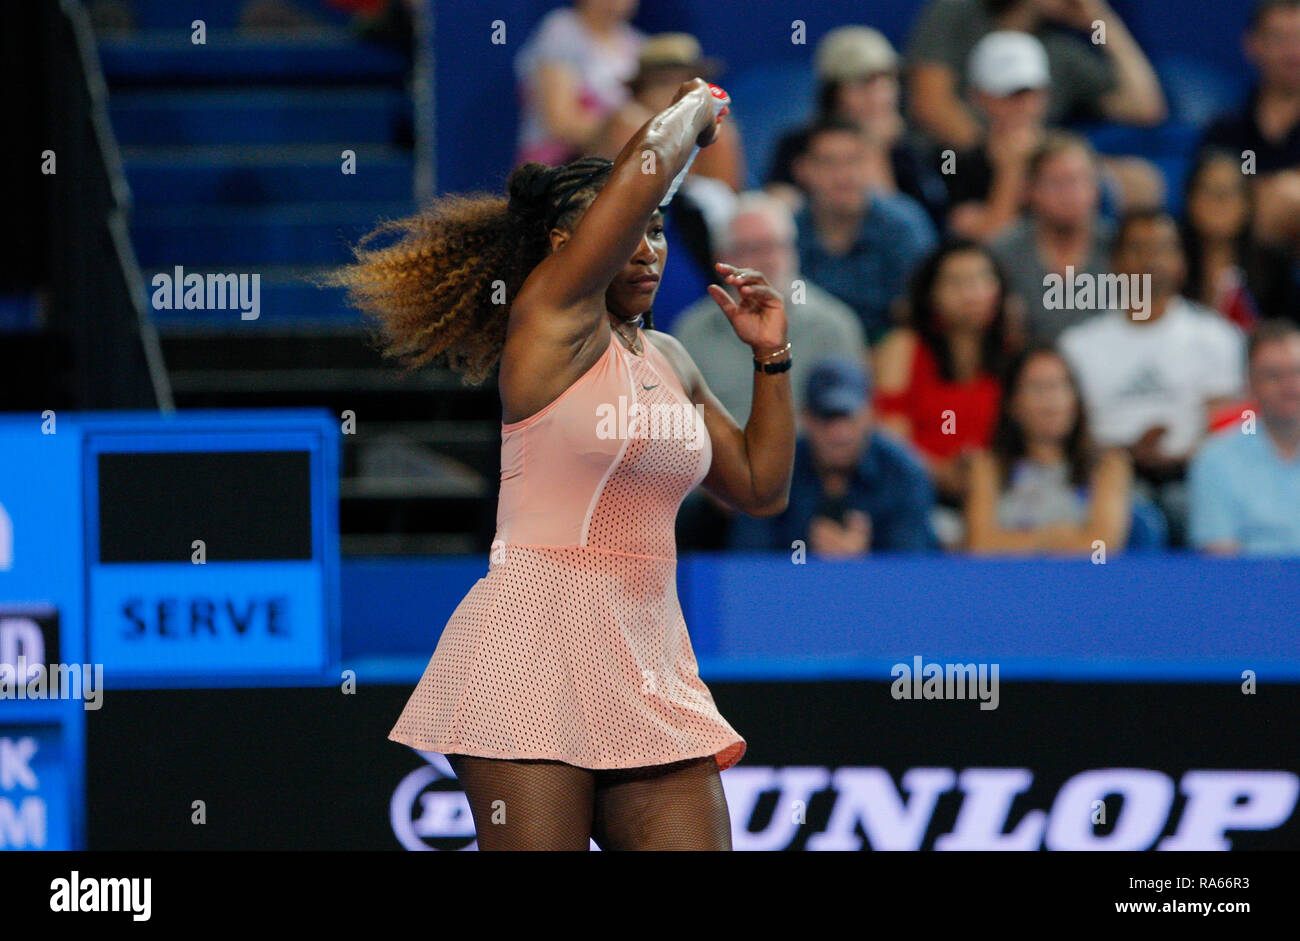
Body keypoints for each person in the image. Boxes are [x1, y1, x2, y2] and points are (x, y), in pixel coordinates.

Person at [327, 79, 795, 850]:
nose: (646, 246)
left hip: (650, 655)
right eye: (628, 231)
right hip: (529, 647)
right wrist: (693, 111)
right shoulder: (550, 324)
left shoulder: (672, 358)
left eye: (658, 231)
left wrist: (771, 355)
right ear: (565, 248)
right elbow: (645, 164)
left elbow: (760, 486)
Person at [1058, 209, 1246, 546]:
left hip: (1191, 473)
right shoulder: (1078, 345)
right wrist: (1126, 453)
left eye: (1162, 248)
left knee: (1185, 505)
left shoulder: (1217, 337)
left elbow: (1227, 429)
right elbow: (1069, 435)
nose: (1150, 260)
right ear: (1115, 262)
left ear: (1181, 261)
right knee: (1136, 512)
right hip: (1106, 477)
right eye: (1138, 248)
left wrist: (1183, 455)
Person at [673, 190, 866, 426]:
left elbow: (850, 426)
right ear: (722, 259)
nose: (766, 260)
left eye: (774, 246)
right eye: (751, 249)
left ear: (793, 250)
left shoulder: (833, 325)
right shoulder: (692, 333)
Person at [729, 356, 937, 555]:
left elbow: (913, 569)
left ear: (870, 415)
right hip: (790, 590)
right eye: (826, 418)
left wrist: (863, 561)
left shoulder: (904, 473)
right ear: (805, 418)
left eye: (848, 417)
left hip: (880, 591)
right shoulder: (772, 472)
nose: (839, 434)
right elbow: (748, 560)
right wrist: (806, 552)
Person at [905, 0, 1166, 150]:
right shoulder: (956, 12)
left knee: (1138, 180)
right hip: (956, 164)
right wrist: (996, 160)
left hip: (1041, 179)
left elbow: (1144, 107)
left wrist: (1099, 18)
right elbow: (931, 107)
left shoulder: (1062, 49)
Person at [873, 240, 1013, 508]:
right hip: (916, 494)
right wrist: (940, 473)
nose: (972, 293)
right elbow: (890, 438)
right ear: (931, 294)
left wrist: (983, 476)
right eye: (956, 282)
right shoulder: (903, 347)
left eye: (983, 280)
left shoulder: (1015, 353)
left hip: (1000, 497)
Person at [766, 25, 950, 226]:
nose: (879, 96)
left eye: (887, 82)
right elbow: (777, 208)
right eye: (864, 84)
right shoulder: (797, 144)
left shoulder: (910, 151)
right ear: (834, 94)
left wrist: (876, 149)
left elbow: (913, 226)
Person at [964, 346, 1132, 554]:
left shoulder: (1108, 463)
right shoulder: (987, 465)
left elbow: (1102, 546)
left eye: (1062, 385)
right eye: (1037, 388)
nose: (1052, 399)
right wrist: (1050, 538)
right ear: (1012, 403)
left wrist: (1015, 542)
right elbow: (979, 545)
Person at [791, 117, 939, 342]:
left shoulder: (903, 225)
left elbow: (918, 309)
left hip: (887, 345)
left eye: (854, 161)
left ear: (873, 164)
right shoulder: (788, 232)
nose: (842, 175)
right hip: (812, 344)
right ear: (803, 170)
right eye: (828, 162)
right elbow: (792, 305)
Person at [991, 131, 1113, 345]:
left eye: (1078, 180)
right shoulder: (1004, 254)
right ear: (1032, 191)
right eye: (1057, 183)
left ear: (1095, 187)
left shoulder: (1119, 247)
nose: (1070, 194)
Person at [1189, 320, 1300, 555]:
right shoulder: (1215, 459)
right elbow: (1221, 563)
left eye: (1297, 371)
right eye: (1273, 375)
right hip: (1251, 588)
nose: (1290, 386)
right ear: (1250, 384)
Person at [1201, 0, 1300, 254]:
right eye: (1280, 38)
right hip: (1241, 259)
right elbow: (1210, 198)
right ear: (1253, 45)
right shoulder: (1226, 128)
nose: (1293, 52)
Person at [943, 31, 1051, 242]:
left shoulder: (1070, 159)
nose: (1023, 106)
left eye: (1031, 93)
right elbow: (983, 242)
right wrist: (1011, 171)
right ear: (978, 97)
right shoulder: (958, 166)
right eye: (1008, 95)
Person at [513, 0, 644, 166]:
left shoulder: (638, 44)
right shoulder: (561, 31)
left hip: (615, 167)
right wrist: (627, 132)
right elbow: (560, 123)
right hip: (555, 167)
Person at [1181, 147, 1300, 328]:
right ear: (1191, 199)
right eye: (1209, 190)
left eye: (1229, 192)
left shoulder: (1274, 264)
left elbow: (1285, 333)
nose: (1220, 202)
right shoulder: (1171, 260)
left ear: (1247, 203)